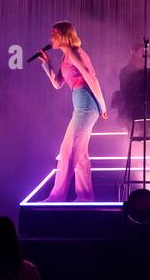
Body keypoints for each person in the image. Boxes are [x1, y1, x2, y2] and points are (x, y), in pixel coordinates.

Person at [37, 21, 107, 202]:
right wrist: (47, 64)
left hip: (87, 105)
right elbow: (57, 83)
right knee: (81, 154)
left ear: (62, 36)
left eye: (53, 34)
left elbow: (91, 77)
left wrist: (102, 106)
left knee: (67, 150)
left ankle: (57, 197)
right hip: (81, 105)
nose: (50, 38)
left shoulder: (74, 53)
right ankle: (85, 197)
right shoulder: (65, 57)